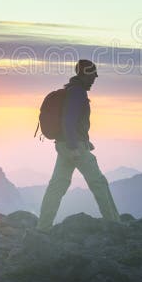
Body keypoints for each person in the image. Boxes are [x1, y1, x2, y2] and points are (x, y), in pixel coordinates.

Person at [37, 59, 120, 230]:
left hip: (64, 144)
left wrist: (85, 141)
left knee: (57, 186)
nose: (94, 80)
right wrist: (75, 147)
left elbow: (73, 121)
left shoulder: (71, 90)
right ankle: (114, 223)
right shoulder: (78, 93)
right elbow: (68, 120)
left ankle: (42, 228)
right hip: (72, 147)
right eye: (92, 76)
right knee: (98, 182)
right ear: (85, 74)